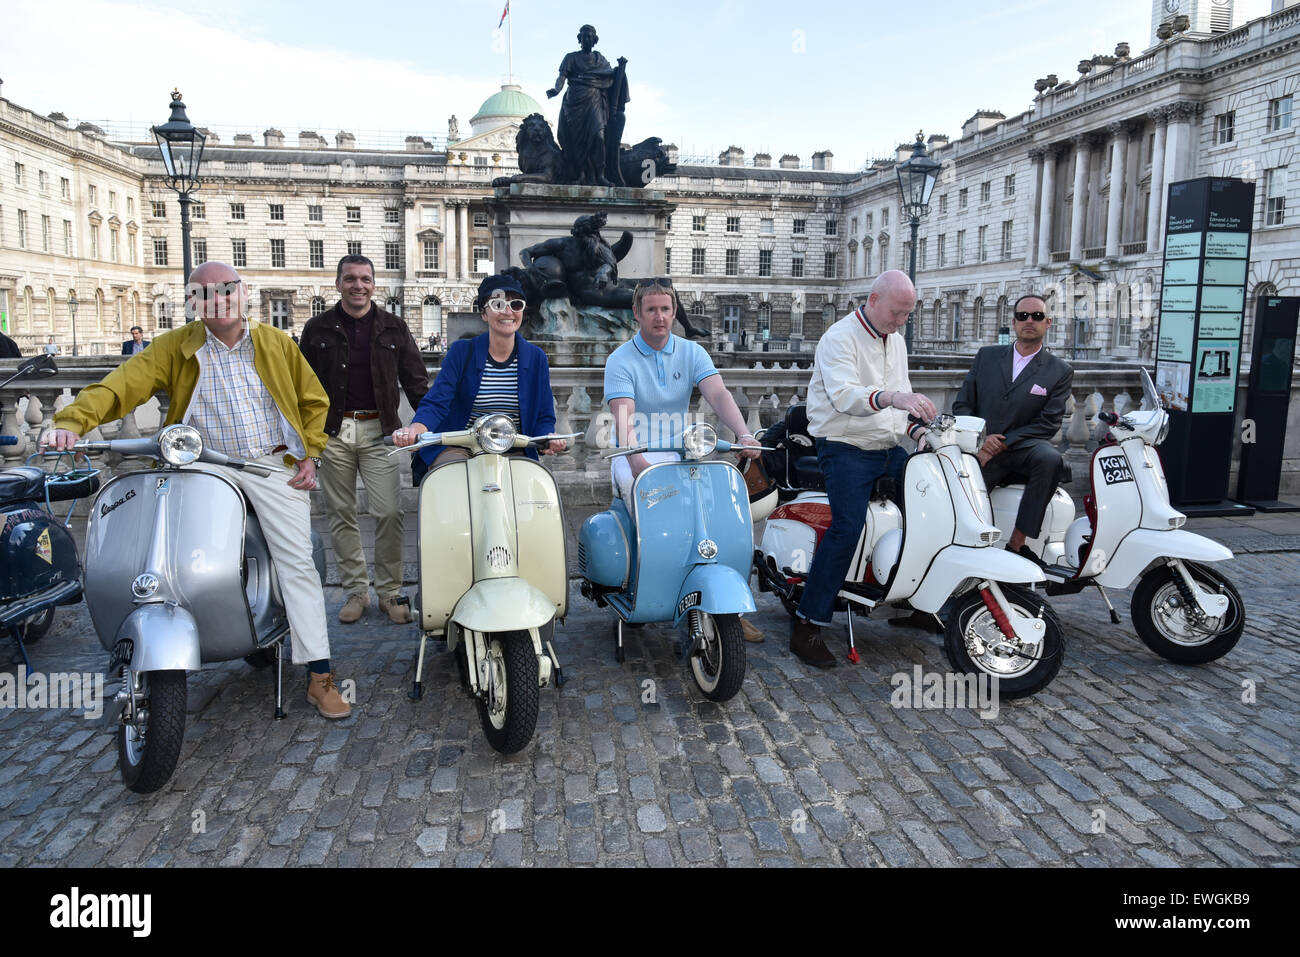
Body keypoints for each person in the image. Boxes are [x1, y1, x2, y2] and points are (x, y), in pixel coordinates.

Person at [42, 261, 352, 720]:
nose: (216, 298)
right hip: (201, 463)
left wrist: (311, 454)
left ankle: (320, 676)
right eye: (203, 292)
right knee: (163, 540)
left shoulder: (273, 343)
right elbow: (120, 387)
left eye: (225, 289)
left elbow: (314, 401)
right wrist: (71, 421)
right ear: (192, 302)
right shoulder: (177, 346)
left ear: (242, 293)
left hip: (267, 463)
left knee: (296, 563)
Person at [603, 278, 766, 643]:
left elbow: (719, 394)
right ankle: (652, 592)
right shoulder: (620, 359)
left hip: (683, 451)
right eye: (651, 310)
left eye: (665, 309)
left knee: (720, 514)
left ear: (674, 312)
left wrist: (743, 434)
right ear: (637, 314)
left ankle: (727, 607)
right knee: (656, 514)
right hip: (638, 454)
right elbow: (623, 415)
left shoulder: (691, 353)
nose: (659, 317)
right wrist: (635, 459)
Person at [789, 270, 937, 669]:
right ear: (873, 300)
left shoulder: (897, 341)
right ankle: (807, 625)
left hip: (887, 447)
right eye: (896, 312)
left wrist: (918, 431)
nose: (901, 321)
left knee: (933, 510)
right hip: (844, 447)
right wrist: (894, 397)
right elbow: (845, 397)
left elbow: (897, 410)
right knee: (847, 528)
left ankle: (921, 601)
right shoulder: (839, 337)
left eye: (907, 314)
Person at [301, 255, 429, 625]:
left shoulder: (393, 327)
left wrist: (426, 425)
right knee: (340, 514)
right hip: (333, 432)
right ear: (338, 283)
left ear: (375, 285)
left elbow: (416, 382)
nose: (359, 286)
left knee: (389, 511)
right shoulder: (318, 329)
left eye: (365, 280)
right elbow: (301, 385)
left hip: (380, 432)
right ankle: (356, 590)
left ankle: (390, 591)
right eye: (351, 279)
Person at [396, 274, 566, 468]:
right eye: (498, 304)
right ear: (484, 313)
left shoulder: (536, 357)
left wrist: (548, 437)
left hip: (512, 448)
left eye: (516, 304)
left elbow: (544, 414)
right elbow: (437, 401)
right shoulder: (462, 351)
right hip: (460, 447)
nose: (508, 311)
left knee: (529, 491)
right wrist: (416, 429)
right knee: (453, 477)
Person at [952, 293, 1073, 562]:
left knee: (1050, 459)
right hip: (981, 446)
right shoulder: (986, 357)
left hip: (1023, 447)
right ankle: (961, 548)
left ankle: (1018, 544)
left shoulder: (1059, 370)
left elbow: (1049, 423)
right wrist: (982, 439)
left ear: (1048, 323)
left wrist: (1003, 442)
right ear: (1014, 322)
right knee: (955, 493)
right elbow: (962, 405)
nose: (1029, 321)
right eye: (1023, 316)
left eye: (1037, 316)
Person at [547, 24, 617, 186]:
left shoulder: (600, 59)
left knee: (598, 136)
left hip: (594, 99)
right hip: (574, 101)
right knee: (575, 141)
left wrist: (619, 71)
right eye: (583, 36)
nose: (586, 39)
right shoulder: (570, 57)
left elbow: (610, 75)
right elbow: (562, 76)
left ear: (594, 40)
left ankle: (600, 175)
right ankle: (579, 174)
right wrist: (556, 90)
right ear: (579, 39)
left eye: (589, 36)